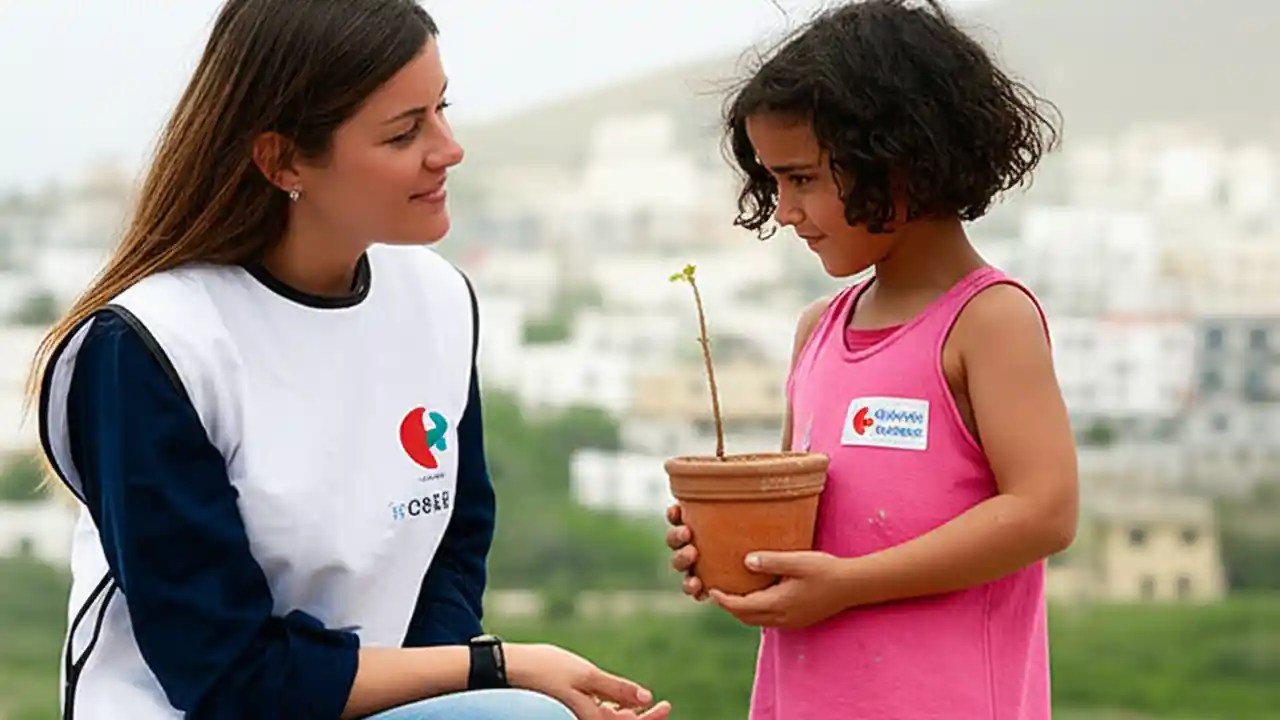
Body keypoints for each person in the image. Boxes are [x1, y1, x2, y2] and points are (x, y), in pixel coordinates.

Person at [28, 1, 672, 719]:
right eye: (405, 132)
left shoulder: (438, 302)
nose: (449, 148)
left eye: (442, 109)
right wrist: (496, 668)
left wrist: (437, 697)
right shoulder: (153, 346)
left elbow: (452, 555)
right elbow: (227, 678)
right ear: (283, 160)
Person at [665, 1, 1076, 718]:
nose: (785, 211)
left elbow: (1045, 512)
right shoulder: (817, 330)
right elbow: (816, 527)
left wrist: (849, 582)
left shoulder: (989, 320)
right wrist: (738, 550)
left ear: (900, 160)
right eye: (775, 183)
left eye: (802, 180)